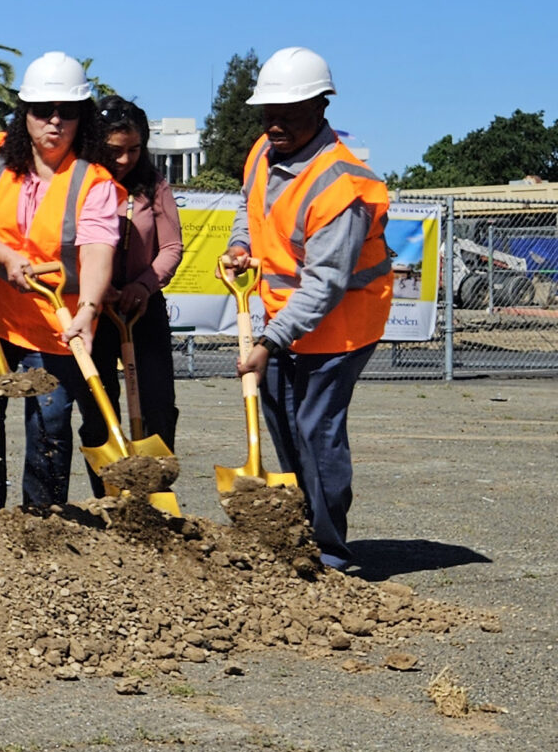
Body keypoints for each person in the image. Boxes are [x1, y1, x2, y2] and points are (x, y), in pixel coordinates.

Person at [218, 47, 390, 574]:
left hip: (339, 327)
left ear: (321, 106)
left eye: (289, 113)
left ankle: (332, 554)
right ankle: (296, 532)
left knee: (316, 429)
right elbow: (251, 212)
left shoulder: (342, 185)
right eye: (268, 113)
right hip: (277, 316)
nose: (276, 124)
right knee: (282, 424)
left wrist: (269, 343)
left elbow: (325, 284)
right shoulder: (263, 151)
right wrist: (240, 246)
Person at [0, 52, 121, 512]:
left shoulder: (94, 180)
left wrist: (88, 310)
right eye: (42, 110)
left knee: (49, 427)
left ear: (81, 117)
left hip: (55, 323)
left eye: (67, 111)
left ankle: (43, 521)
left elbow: (97, 248)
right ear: (23, 113)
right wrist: (8, 258)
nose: (54, 121)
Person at [84, 96, 183, 458]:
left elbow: (171, 247)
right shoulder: (81, 183)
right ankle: (107, 492)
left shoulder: (154, 185)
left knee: (157, 406)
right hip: (94, 310)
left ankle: (154, 489)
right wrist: (96, 287)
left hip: (144, 310)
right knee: (99, 408)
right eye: (114, 151)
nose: (125, 160)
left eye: (134, 150)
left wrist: (143, 285)